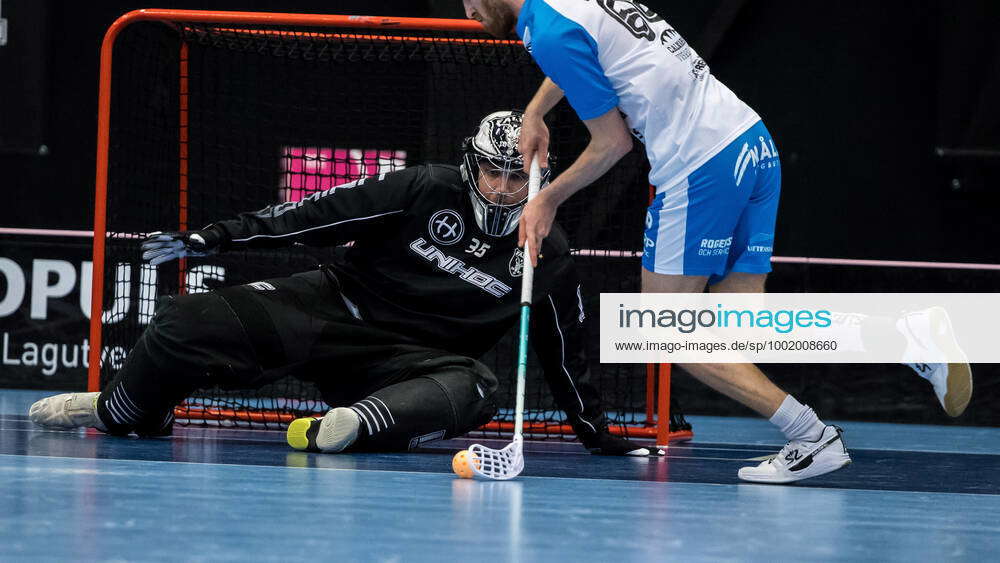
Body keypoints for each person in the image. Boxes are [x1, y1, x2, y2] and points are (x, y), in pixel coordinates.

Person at [425, 0, 973, 483]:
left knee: (668, 332)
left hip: (699, 166)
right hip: (750, 143)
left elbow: (612, 142)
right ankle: (900, 337)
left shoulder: (547, 32)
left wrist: (547, 201)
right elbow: (592, 55)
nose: (467, 10)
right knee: (738, 323)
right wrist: (537, 111)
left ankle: (812, 435)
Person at [29, 111, 660, 458]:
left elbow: (565, 357)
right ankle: (125, 408)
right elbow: (312, 218)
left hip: (410, 364)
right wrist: (213, 238)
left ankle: (353, 425)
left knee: (480, 386)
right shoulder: (423, 188)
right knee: (179, 323)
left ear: (540, 177)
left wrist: (600, 436)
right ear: (471, 166)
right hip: (329, 309)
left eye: (517, 177)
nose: (503, 189)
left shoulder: (549, 253)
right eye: (493, 174)